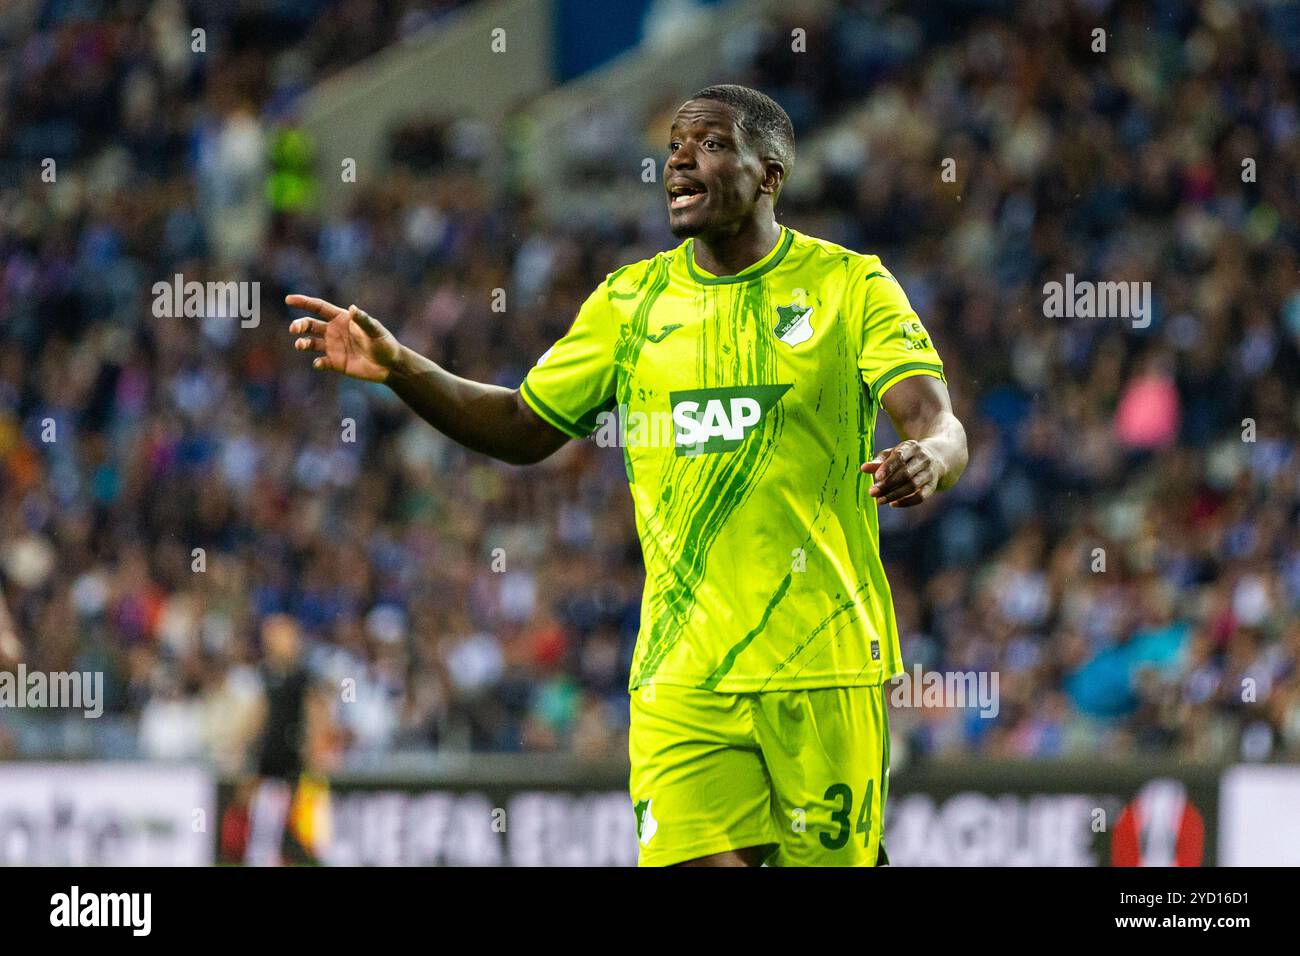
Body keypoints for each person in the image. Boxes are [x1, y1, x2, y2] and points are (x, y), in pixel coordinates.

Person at [286, 85, 967, 866]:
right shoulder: (630, 303)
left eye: (708, 144)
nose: (678, 158)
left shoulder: (851, 286)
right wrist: (402, 366)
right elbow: (520, 426)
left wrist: (932, 459)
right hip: (681, 675)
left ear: (769, 173)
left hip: (821, 664)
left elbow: (936, 421)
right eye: (674, 144)